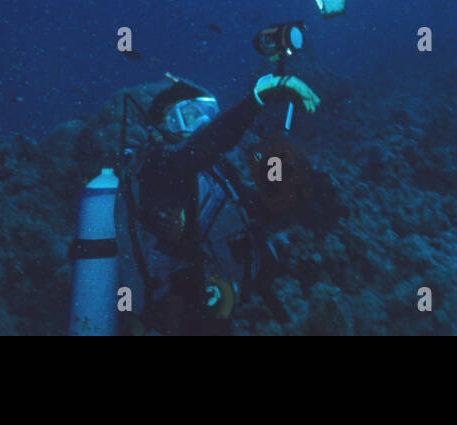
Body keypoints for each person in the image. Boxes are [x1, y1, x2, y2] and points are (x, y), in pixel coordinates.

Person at [122, 72, 320, 334]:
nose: (203, 121)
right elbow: (196, 152)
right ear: (164, 126)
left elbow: (243, 208)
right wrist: (255, 101)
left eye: (207, 111)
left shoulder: (212, 168)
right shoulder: (157, 166)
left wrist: (289, 194)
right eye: (191, 115)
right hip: (184, 318)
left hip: (231, 298)